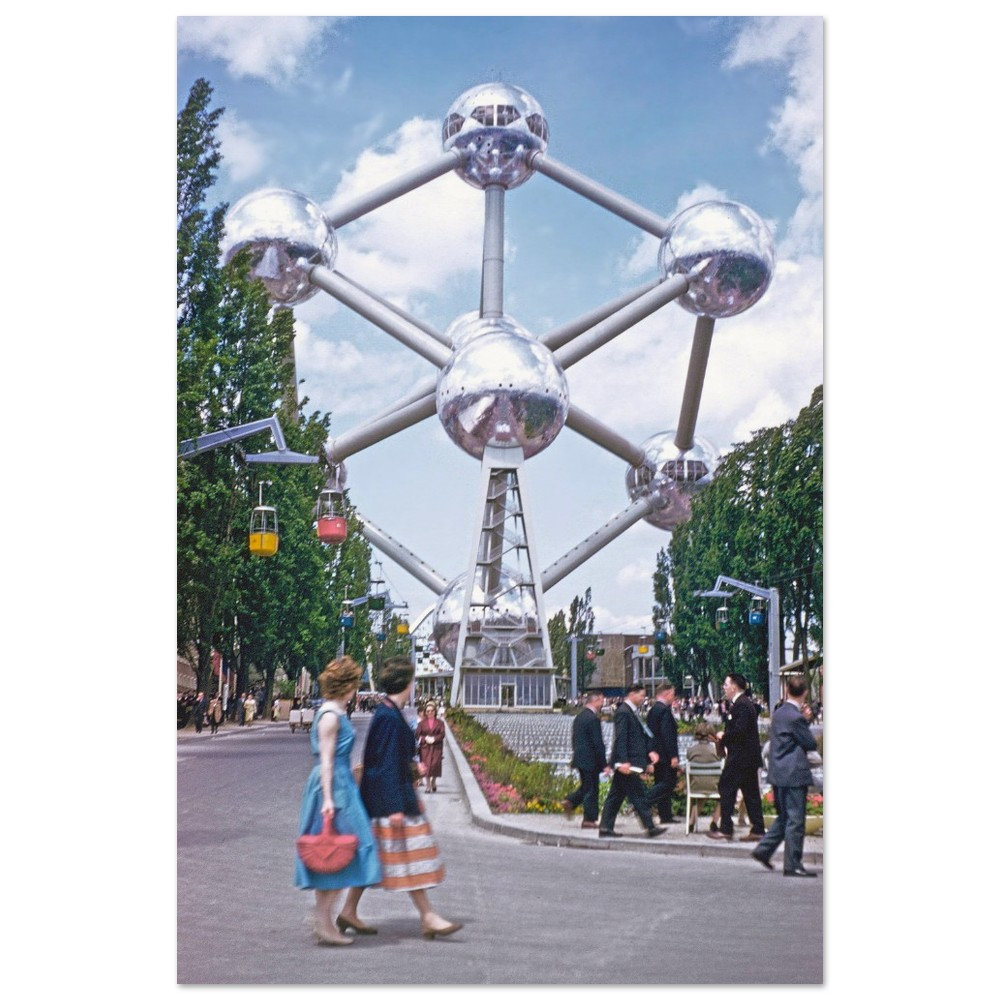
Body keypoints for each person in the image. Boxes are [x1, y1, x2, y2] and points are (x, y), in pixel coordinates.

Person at [357, 657, 462, 939]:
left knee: (374, 858)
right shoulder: (390, 717)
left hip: (386, 799)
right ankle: (428, 915)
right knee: (411, 857)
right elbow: (386, 763)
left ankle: (347, 911)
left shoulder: (388, 712)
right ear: (406, 682)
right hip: (390, 803)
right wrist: (395, 807)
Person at [294, 656, 382, 946]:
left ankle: (324, 920)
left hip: (340, 783)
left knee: (334, 853)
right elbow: (327, 761)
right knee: (350, 849)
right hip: (333, 787)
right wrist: (329, 799)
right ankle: (323, 920)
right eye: (354, 683)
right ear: (347, 685)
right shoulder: (331, 716)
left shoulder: (335, 713)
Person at [750, 677, 819, 877]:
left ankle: (763, 850)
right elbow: (809, 743)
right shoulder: (796, 717)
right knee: (796, 819)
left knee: (784, 817)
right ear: (805, 693)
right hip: (794, 773)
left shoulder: (779, 713)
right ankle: (792, 864)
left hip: (777, 772)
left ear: (787, 690)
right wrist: (806, 721)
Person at [598, 684, 666, 839]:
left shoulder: (631, 712)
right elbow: (621, 738)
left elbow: (639, 738)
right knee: (637, 795)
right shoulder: (624, 712)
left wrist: (647, 758)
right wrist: (622, 762)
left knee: (616, 796)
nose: (643, 699)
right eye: (641, 695)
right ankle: (650, 827)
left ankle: (606, 827)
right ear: (632, 694)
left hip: (629, 762)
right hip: (628, 763)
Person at [707, 673, 766, 842]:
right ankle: (758, 829)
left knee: (726, 787)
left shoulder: (740, 706)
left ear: (734, 686)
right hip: (748, 758)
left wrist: (723, 735)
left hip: (740, 757)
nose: (724, 688)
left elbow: (740, 731)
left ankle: (726, 828)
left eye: (726, 684)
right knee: (751, 793)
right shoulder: (744, 704)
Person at [561, 690, 611, 828]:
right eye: (601, 701)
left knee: (586, 786)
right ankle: (588, 819)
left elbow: (574, 739)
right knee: (592, 789)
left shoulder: (579, 717)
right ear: (594, 701)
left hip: (580, 758)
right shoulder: (593, 718)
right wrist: (605, 764)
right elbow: (598, 743)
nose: (603, 704)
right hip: (591, 760)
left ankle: (571, 801)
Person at [645, 682, 680, 824]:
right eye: (672, 694)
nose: (674, 697)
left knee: (661, 781)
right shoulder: (664, 710)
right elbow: (668, 735)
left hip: (656, 755)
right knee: (668, 783)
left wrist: (651, 750)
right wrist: (673, 756)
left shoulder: (653, 710)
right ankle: (645, 801)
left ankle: (665, 816)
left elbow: (649, 733)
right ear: (665, 694)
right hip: (665, 755)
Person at [685, 721, 722, 832]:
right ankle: (715, 821)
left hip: (695, 786)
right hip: (714, 787)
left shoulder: (690, 751)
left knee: (699, 797)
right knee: (726, 794)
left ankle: (691, 822)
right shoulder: (716, 751)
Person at [416, 701, 445, 793]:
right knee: (427, 766)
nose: (430, 713)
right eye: (428, 711)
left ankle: (433, 781)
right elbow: (417, 734)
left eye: (432, 711)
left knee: (435, 765)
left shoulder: (440, 723)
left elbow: (442, 734)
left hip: (436, 747)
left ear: (435, 711)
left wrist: (434, 739)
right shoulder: (421, 723)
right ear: (425, 712)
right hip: (425, 748)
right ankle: (428, 785)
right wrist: (425, 739)